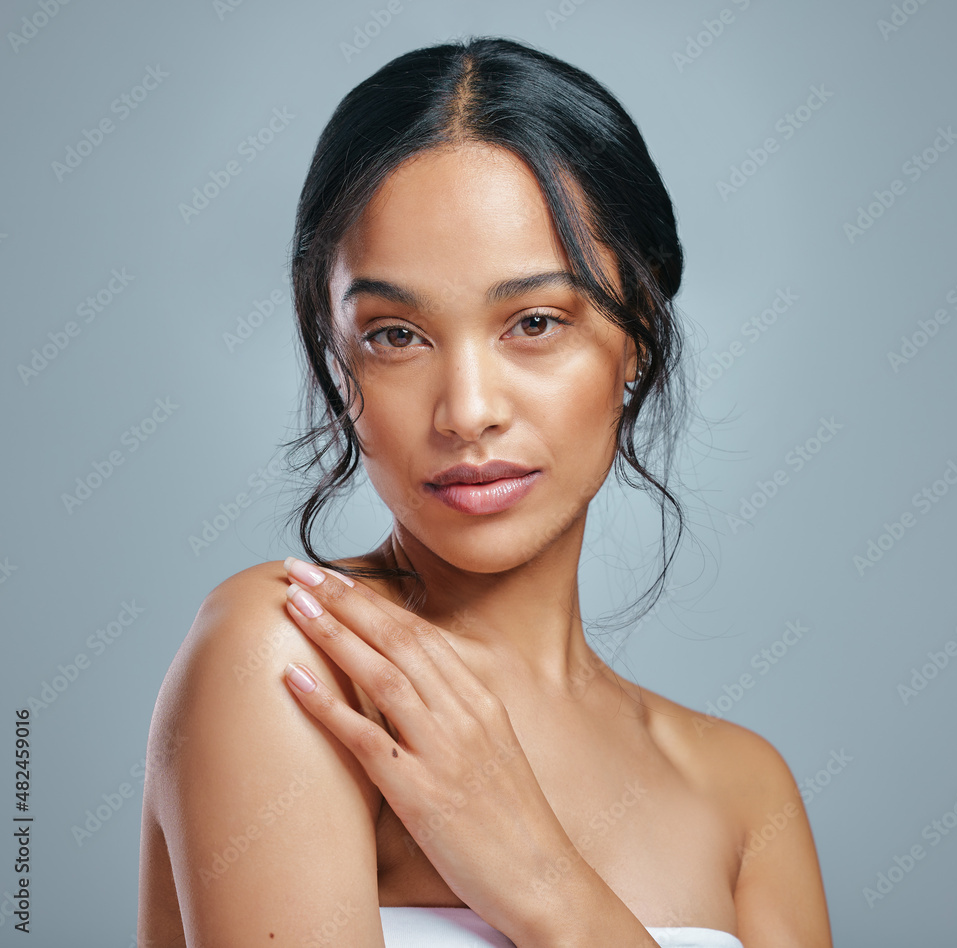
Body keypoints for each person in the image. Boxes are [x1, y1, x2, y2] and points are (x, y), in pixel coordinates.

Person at [137, 35, 833, 948]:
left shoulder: (744, 791)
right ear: (335, 355)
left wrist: (545, 884)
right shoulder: (292, 665)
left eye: (534, 322)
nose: (466, 412)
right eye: (395, 334)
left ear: (639, 341)